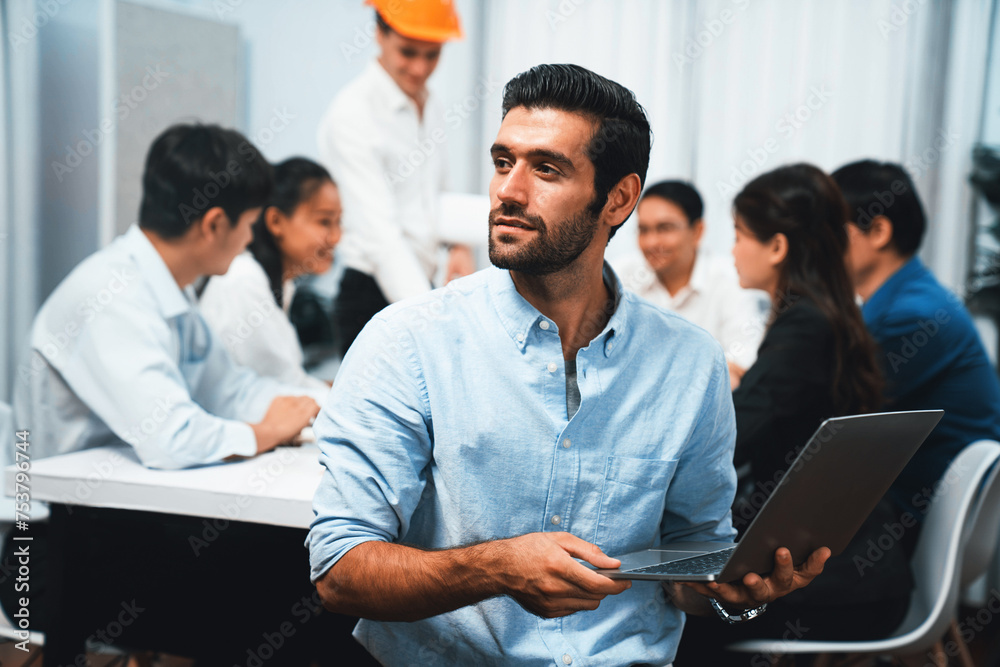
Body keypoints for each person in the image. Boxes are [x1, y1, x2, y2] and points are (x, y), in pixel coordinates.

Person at [307, 64, 829, 666]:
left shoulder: (690, 364)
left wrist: (736, 594)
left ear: (618, 199)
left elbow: (691, 567)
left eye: (546, 169)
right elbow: (340, 571)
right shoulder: (408, 341)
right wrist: (497, 568)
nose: (509, 190)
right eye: (504, 162)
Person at [676, 164, 909, 666]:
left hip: (834, 582)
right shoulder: (828, 313)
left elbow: (725, 440)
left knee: (676, 619)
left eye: (739, 234)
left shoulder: (804, 329)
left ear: (777, 247)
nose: (732, 249)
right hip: (860, 567)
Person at [14, 123, 322, 470]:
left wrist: (318, 406)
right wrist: (264, 433)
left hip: (126, 496)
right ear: (214, 225)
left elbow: (230, 390)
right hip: (56, 510)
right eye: (250, 224)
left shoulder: (171, 289)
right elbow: (172, 440)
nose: (251, 238)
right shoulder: (111, 295)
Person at [832, 160, 1000, 543]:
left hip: (913, 520)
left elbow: (830, 416)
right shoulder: (908, 300)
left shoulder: (910, 317)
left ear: (877, 231)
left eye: (830, 231)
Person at [317, 0, 475, 355]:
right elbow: (380, 236)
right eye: (408, 52)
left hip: (420, 286)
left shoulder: (429, 103)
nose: (419, 68)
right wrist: (435, 321)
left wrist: (458, 245)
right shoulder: (353, 114)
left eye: (432, 55)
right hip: (372, 294)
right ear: (379, 34)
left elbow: (437, 193)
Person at [200, 157, 341, 392]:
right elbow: (280, 390)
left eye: (339, 222)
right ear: (276, 221)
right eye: (324, 221)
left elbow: (290, 382)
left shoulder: (280, 285)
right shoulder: (243, 280)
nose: (336, 237)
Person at [617, 180, 766, 386]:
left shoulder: (731, 280)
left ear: (697, 231)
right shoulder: (621, 277)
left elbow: (741, 366)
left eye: (665, 228)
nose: (651, 242)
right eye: (643, 230)